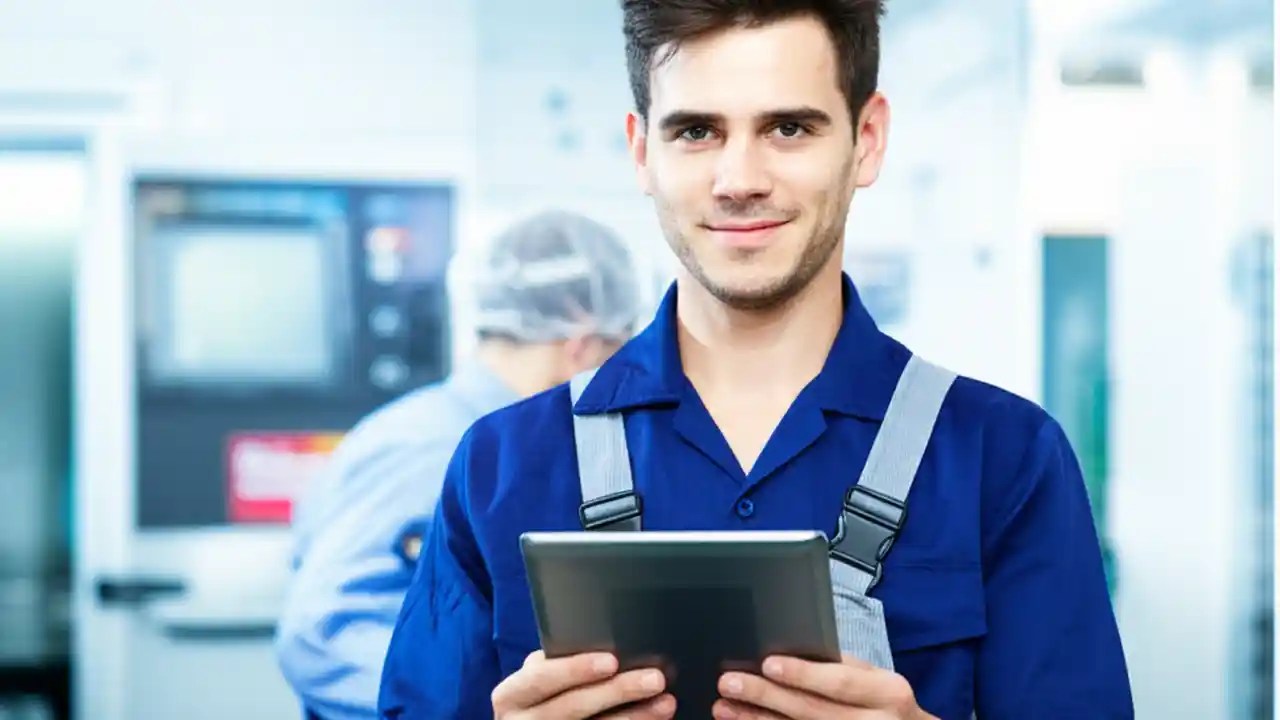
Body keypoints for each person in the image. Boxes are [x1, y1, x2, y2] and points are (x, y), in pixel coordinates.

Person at [377, 1, 1133, 718]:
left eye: (789, 128)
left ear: (866, 139)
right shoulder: (501, 466)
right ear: (643, 151)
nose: (739, 180)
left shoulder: (1003, 459)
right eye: (697, 132)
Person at [274, 210, 644, 720]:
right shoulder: (435, 448)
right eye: (621, 350)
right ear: (580, 345)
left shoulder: (465, 436)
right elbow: (323, 635)